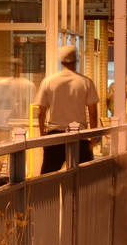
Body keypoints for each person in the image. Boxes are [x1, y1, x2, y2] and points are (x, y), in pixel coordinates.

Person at [35, 45, 100, 174]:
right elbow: (93, 113)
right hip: (79, 136)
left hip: (54, 136)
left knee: (47, 179)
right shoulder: (86, 82)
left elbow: (41, 113)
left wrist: (43, 138)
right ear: (76, 60)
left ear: (61, 61)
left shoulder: (48, 81)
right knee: (84, 177)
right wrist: (92, 139)